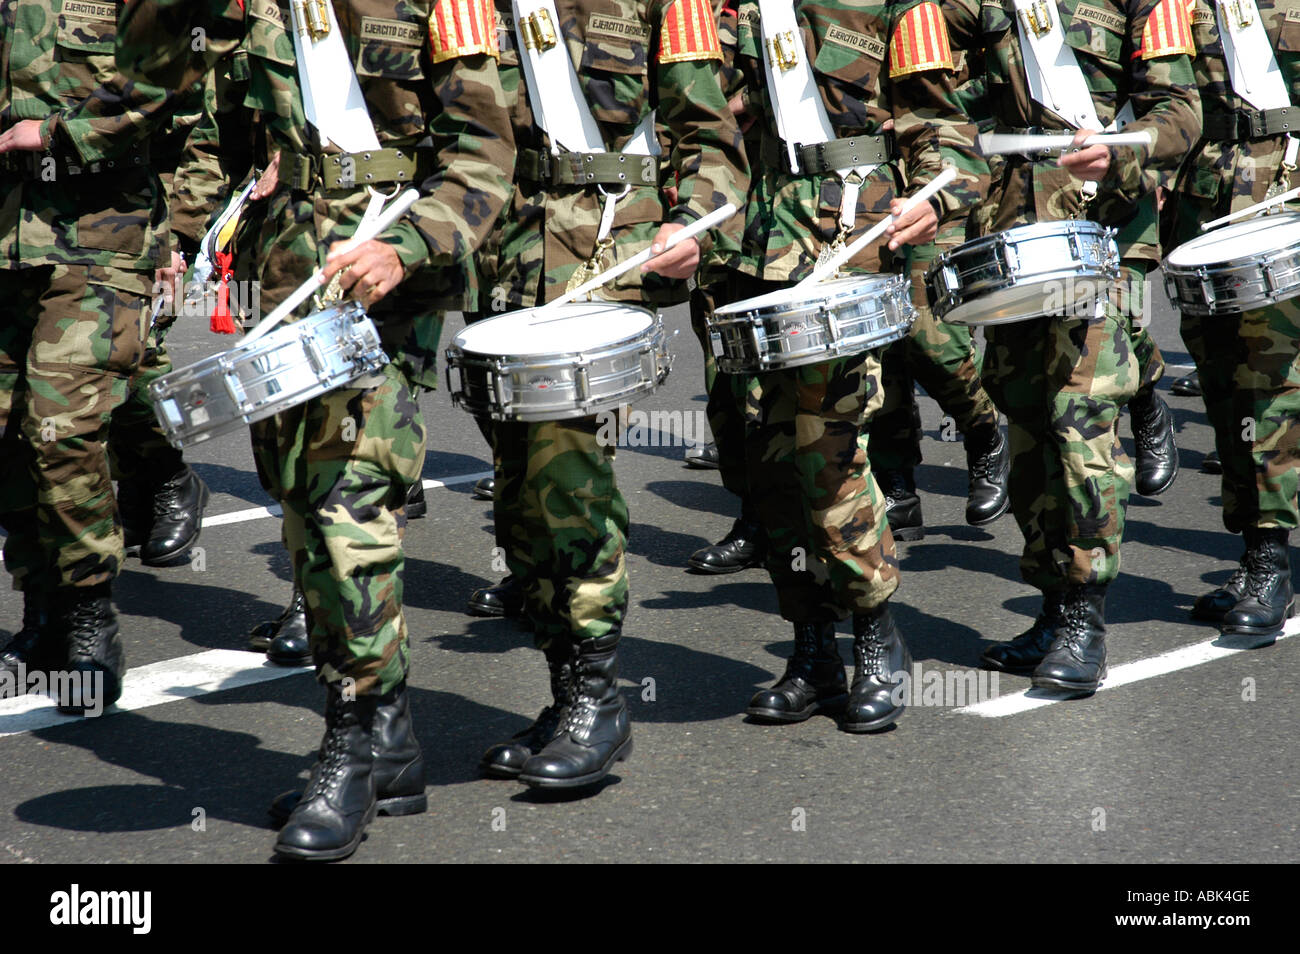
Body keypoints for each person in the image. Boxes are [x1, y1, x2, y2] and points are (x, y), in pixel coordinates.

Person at [118, 0, 515, 859]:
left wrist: (407, 246)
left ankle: (353, 742)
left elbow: (484, 155)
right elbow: (166, 94)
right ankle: (396, 744)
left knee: (345, 507)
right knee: (299, 507)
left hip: (382, 273)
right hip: (285, 272)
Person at [472, 0, 748, 787]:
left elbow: (710, 139)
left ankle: (598, 700)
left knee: (570, 484)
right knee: (521, 495)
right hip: (504, 257)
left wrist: (695, 221)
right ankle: (566, 696)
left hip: (605, 256)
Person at [704, 0, 983, 732]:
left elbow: (943, 130)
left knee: (827, 454)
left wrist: (940, 194)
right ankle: (812, 650)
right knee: (764, 463)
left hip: (846, 241)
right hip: (750, 242)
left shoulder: (894, 6)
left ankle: (875, 636)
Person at [942, 0, 1202, 693]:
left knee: (1079, 420)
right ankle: (1053, 603)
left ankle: (1085, 618)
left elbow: (1179, 110)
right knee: (1026, 423)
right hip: (1009, 235)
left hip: (1102, 226)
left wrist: (1124, 146)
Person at [0, 0, 180, 713]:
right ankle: (40, 614)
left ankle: (86, 615)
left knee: (61, 429)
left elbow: (170, 84)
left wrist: (55, 134)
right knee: (9, 436)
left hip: (97, 238)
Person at [1163, 0, 1300, 643]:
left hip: (1288, 186)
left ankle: (1271, 557)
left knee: (1270, 382)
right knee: (1223, 386)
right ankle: (1253, 552)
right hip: (1208, 194)